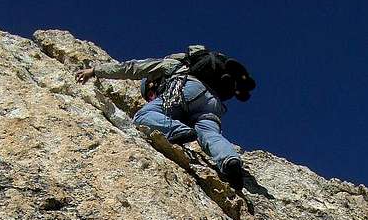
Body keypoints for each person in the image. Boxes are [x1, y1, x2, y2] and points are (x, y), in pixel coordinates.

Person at [76, 46, 247, 189]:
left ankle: (177, 130)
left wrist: (95, 71)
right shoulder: (190, 69)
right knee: (210, 133)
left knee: (143, 115)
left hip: (186, 87)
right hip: (214, 102)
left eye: (150, 93)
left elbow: (132, 68)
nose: (152, 97)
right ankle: (230, 161)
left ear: (152, 82)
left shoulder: (170, 65)